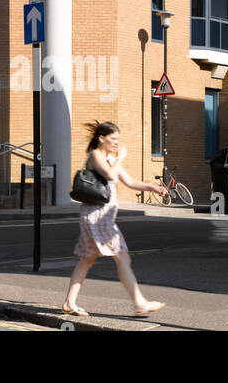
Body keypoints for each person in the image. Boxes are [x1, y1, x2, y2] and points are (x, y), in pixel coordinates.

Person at [62, 121, 168, 317]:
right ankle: (140, 303)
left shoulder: (111, 157)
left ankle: (69, 303)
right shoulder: (96, 155)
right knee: (122, 257)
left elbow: (130, 182)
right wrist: (119, 159)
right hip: (97, 217)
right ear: (101, 138)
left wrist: (153, 188)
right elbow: (111, 175)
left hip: (101, 216)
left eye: (118, 139)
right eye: (113, 139)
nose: (116, 143)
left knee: (87, 260)